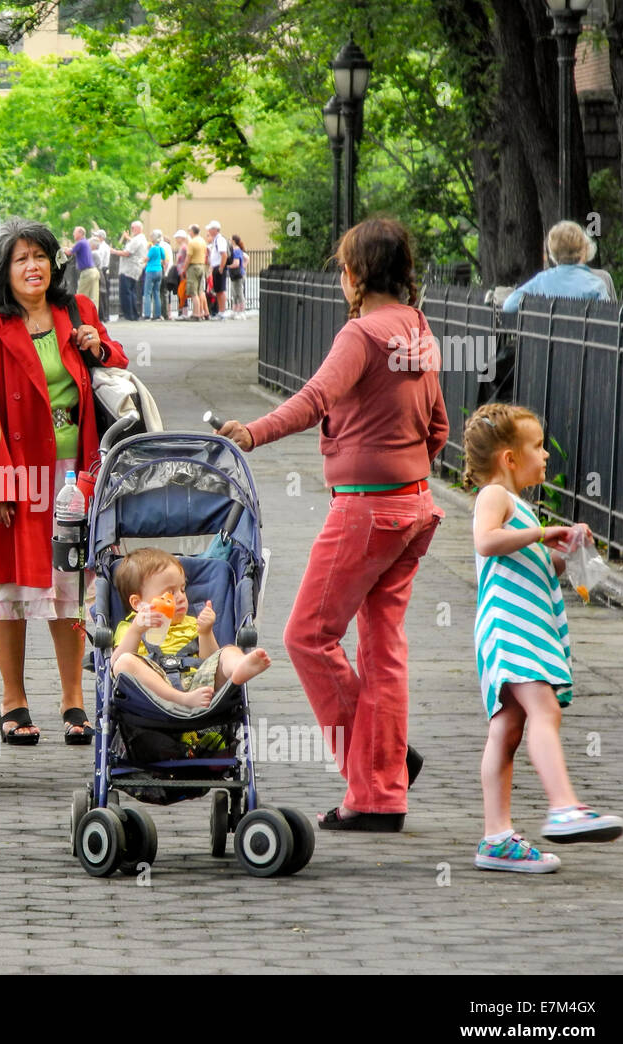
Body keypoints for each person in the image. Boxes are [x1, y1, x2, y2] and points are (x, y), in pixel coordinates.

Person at [216, 217, 447, 831]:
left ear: (355, 274)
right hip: (414, 504)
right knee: (384, 649)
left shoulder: (362, 333)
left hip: (366, 509)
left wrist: (252, 432)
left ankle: (376, 773)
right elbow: (440, 427)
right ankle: (384, 786)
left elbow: (316, 397)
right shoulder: (419, 330)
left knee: (306, 636)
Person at [0, 218, 127, 745]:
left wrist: (94, 346)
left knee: (70, 587)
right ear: (3, 270)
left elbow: (116, 362)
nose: (33, 267)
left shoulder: (74, 311)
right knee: (11, 589)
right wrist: (0, 487)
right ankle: (13, 701)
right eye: (21, 259)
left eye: (40, 256)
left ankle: (73, 699)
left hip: (75, 471)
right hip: (18, 470)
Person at [463, 404, 623, 872]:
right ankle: (563, 806)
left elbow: (532, 567)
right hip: (509, 628)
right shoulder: (495, 496)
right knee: (544, 709)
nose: (545, 456)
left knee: (508, 729)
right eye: (537, 447)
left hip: (520, 627)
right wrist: (541, 531)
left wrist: (563, 552)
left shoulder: (522, 508)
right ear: (510, 458)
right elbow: (485, 541)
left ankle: (496, 837)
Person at [111, 548, 272, 710]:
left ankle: (239, 666)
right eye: (169, 593)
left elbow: (208, 660)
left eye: (182, 589)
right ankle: (181, 698)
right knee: (124, 662)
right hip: (153, 694)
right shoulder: (130, 627)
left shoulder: (192, 622)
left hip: (198, 684)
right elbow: (114, 666)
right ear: (138, 603)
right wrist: (137, 630)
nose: (180, 597)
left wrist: (205, 632)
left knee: (227, 651)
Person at [501, 221, 612, 313]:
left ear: (553, 254)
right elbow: (609, 321)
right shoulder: (595, 285)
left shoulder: (540, 281)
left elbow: (508, 306)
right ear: (584, 250)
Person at [116, 221, 146, 322]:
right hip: (134, 269)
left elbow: (127, 253)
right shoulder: (141, 238)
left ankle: (128, 315)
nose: (132, 230)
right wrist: (128, 238)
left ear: (137, 229)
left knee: (126, 292)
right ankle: (134, 314)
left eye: (132, 228)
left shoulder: (137, 239)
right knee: (131, 292)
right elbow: (133, 244)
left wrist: (113, 251)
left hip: (128, 269)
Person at [184, 223, 209, 321]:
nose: (188, 232)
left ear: (192, 231)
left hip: (193, 267)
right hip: (202, 266)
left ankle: (196, 314)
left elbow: (188, 258)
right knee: (200, 291)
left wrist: (184, 269)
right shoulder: (203, 241)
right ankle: (203, 312)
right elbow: (206, 254)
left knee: (193, 292)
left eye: (189, 230)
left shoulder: (192, 242)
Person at [71, 226, 99, 307]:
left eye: (74, 232)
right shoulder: (86, 242)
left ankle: (80, 317)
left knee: (81, 296)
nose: (73, 234)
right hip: (94, 271)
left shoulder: (80, 243)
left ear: (80, 233)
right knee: (93, 297)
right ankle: (93, 317)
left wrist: (63, 250)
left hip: (87, 272)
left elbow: (70, 252)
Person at [207, 220, 229, 319]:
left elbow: (224, 254)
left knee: (221, 290)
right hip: (216, 267)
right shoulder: (216, 239)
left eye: (210, 229)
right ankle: (220, 311)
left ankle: (222, 312)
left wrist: (221, 267)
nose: (209, 231)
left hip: (219, 267)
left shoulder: (220, 240)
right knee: (218, 290)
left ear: (215, 230)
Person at [142, 230, 165, 320]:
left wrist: (142, 259)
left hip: (151, 270)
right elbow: (163, 258)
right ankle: (157, 314)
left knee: (147, 293)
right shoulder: (160, 248)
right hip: (159, 270)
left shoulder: (152, 248)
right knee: (156, 292)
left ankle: (147, 314)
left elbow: (147, 258)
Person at [91, 230, 111, 321]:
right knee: (103, 293)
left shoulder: (101, 248)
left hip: (101, 270)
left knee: (101, 293)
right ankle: (104, 315)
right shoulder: (105, 246)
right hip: (103, 270)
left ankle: (103, 315)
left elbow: (100, 260)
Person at [229, 235, 249, 316]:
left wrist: (227, 265)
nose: (229, 240)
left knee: (239, 292)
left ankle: (241, 311)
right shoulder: (235, 250)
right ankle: (235, 310)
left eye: (230, 239)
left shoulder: (236, 250)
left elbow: (236, 263)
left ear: (233, 241)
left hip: (238, 274)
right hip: (236, 274)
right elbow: (246, 258)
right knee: (234, 292)